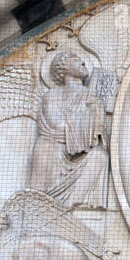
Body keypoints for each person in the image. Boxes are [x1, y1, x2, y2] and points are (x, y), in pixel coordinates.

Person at [27, 50, 109, 208]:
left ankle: (76, 204)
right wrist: (90, 118)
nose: (83, 63)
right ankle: (41, 206)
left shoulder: (91, 97)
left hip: (81, 153)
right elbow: (56, 125)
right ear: (62, 68)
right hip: (53, 150)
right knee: (46, 150)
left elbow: (98, 137)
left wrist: (98, 112)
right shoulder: (52, 96)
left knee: (100, 156)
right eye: (75, 59)